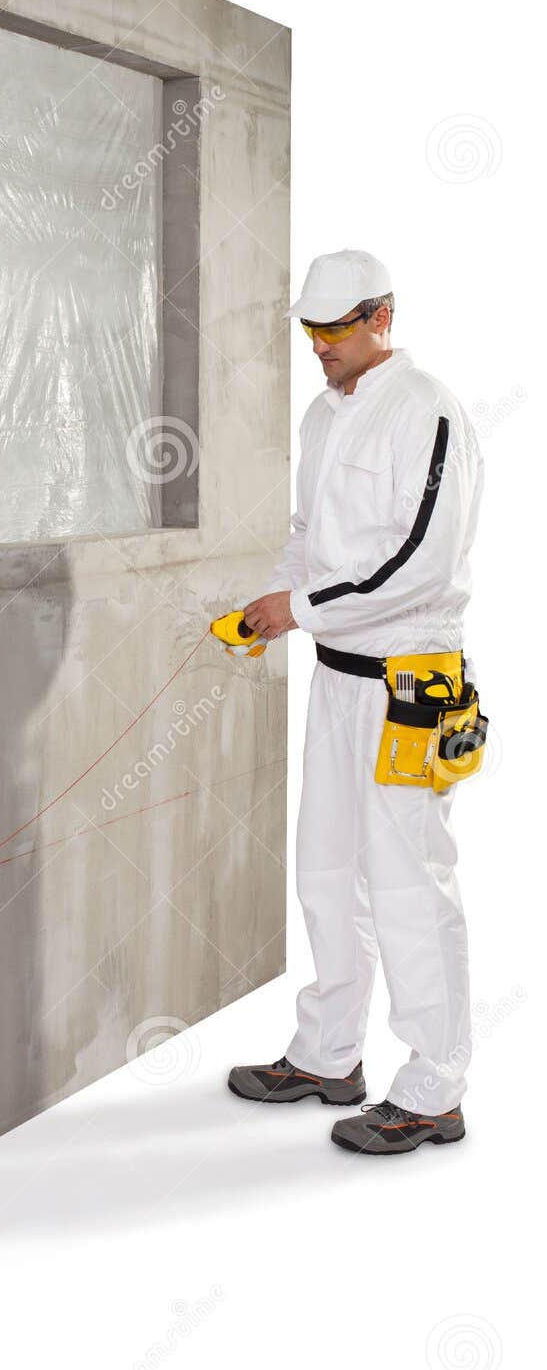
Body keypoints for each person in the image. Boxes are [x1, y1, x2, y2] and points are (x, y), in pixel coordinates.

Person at [227, 249, 483, 1155]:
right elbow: (309, 539)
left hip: (409, 686)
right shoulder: (323, 416)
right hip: (336, 677)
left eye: (335, 327)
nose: (318, 345)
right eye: (309, 329)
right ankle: (330, 1055)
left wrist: (294, 610)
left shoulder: (428, 413)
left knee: (408, 883)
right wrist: (270, 603)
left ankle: (433, 1088)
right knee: (326, 871)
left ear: (382, 315)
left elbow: (419, 561)